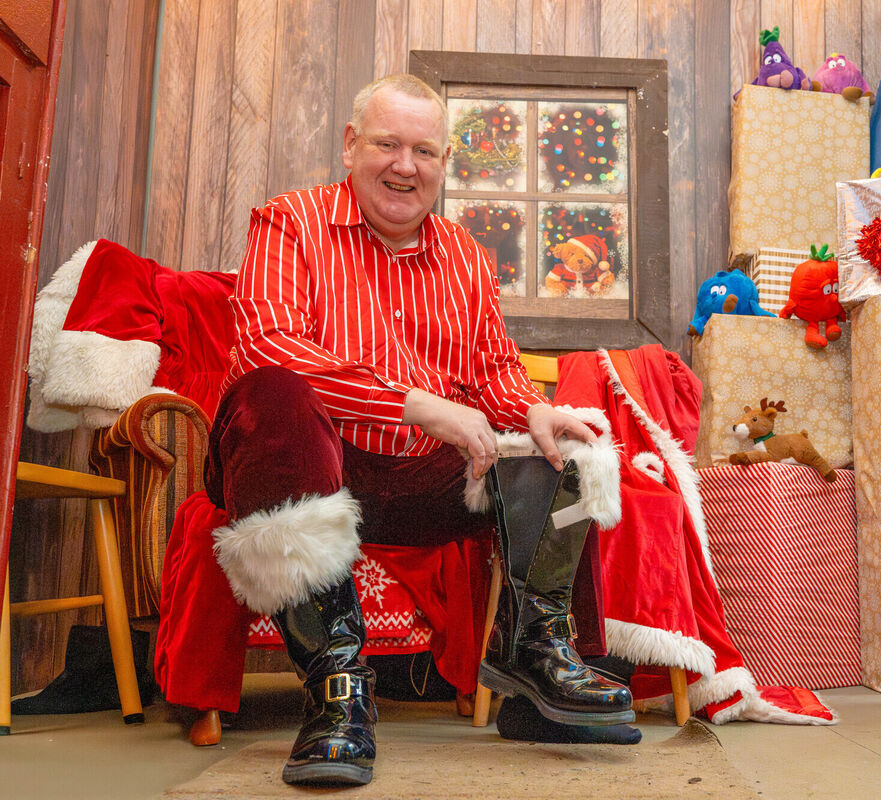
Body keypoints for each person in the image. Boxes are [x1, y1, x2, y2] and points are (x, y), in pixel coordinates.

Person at [207, 74, 632, 787]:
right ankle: (337, 692)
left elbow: (495, 368)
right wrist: (417, 404)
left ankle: (535, 666)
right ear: (351, 145)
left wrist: (529, 409)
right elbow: (267, 346)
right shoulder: (290, 221)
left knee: (563, 447)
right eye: (387, 144)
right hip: (303, 465)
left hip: (423, 479)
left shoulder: (465, 254)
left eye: (425, 151)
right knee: (274, 391)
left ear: (443, 163)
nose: (406, 165)